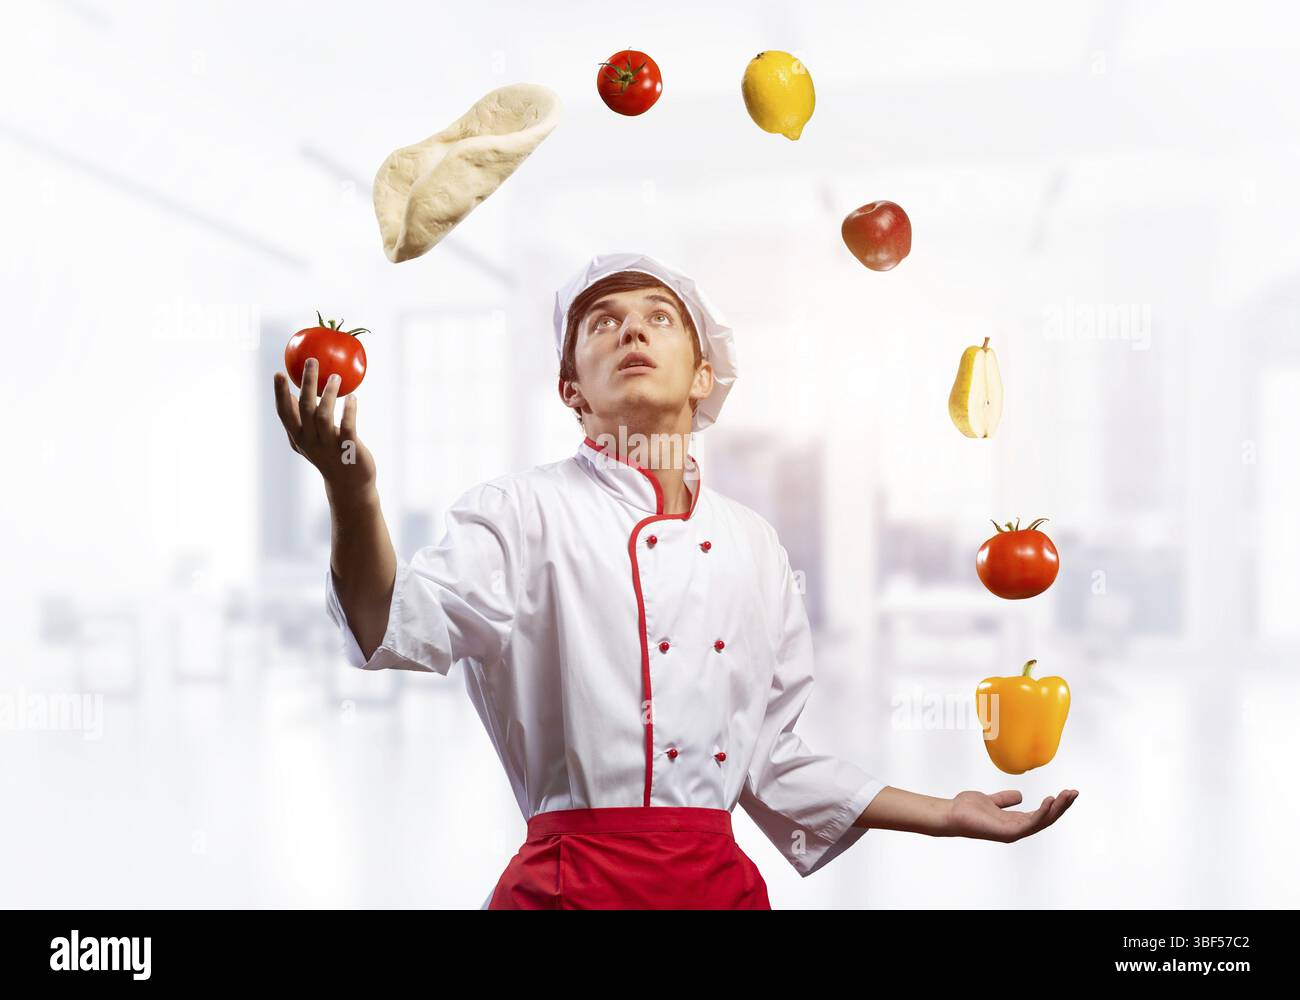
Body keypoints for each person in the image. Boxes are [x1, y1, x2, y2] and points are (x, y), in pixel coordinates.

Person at [272, 251, 1078, 909]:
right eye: (602, 323)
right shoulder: (520, 513)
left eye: (659, 318)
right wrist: (353, 490)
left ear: (702, 377)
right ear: (570, 390)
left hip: (716, 888)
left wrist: (944, 813)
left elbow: (769, 760)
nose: (632, 332)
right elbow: (387, 626)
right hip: (567, 887)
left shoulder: (754, 545)